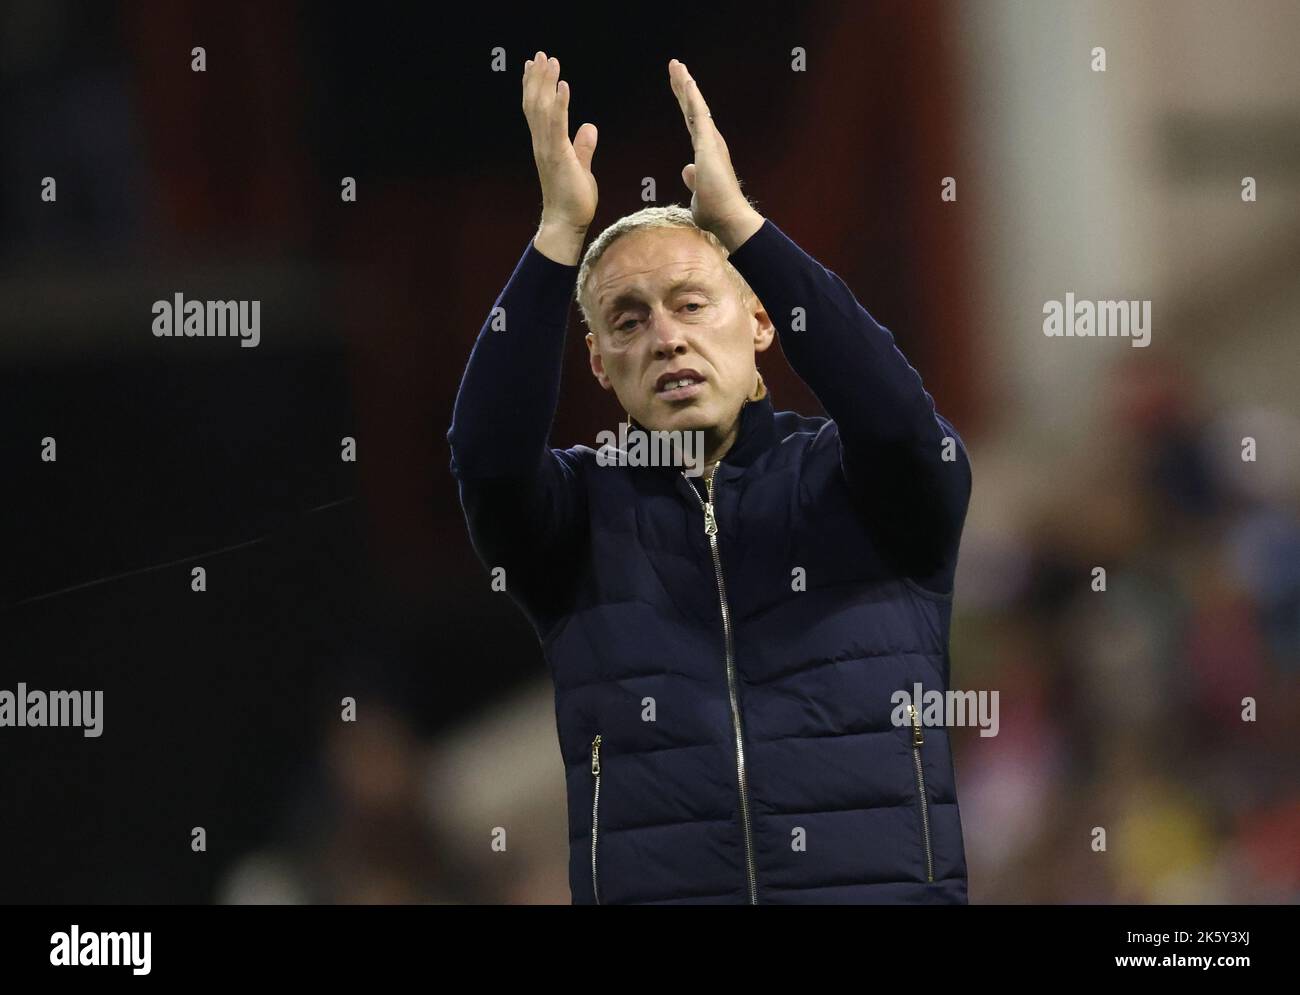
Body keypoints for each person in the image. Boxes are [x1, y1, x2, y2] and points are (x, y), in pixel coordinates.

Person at [448, 52, 973, 904]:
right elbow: (485, 457)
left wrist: (744, 228)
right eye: (629, 318)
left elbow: (905, 430)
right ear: (600, 364)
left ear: (761, 320)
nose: (665, 337)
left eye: (692, 302)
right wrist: (556, 239)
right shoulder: (579, 515)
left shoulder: (856, 485)